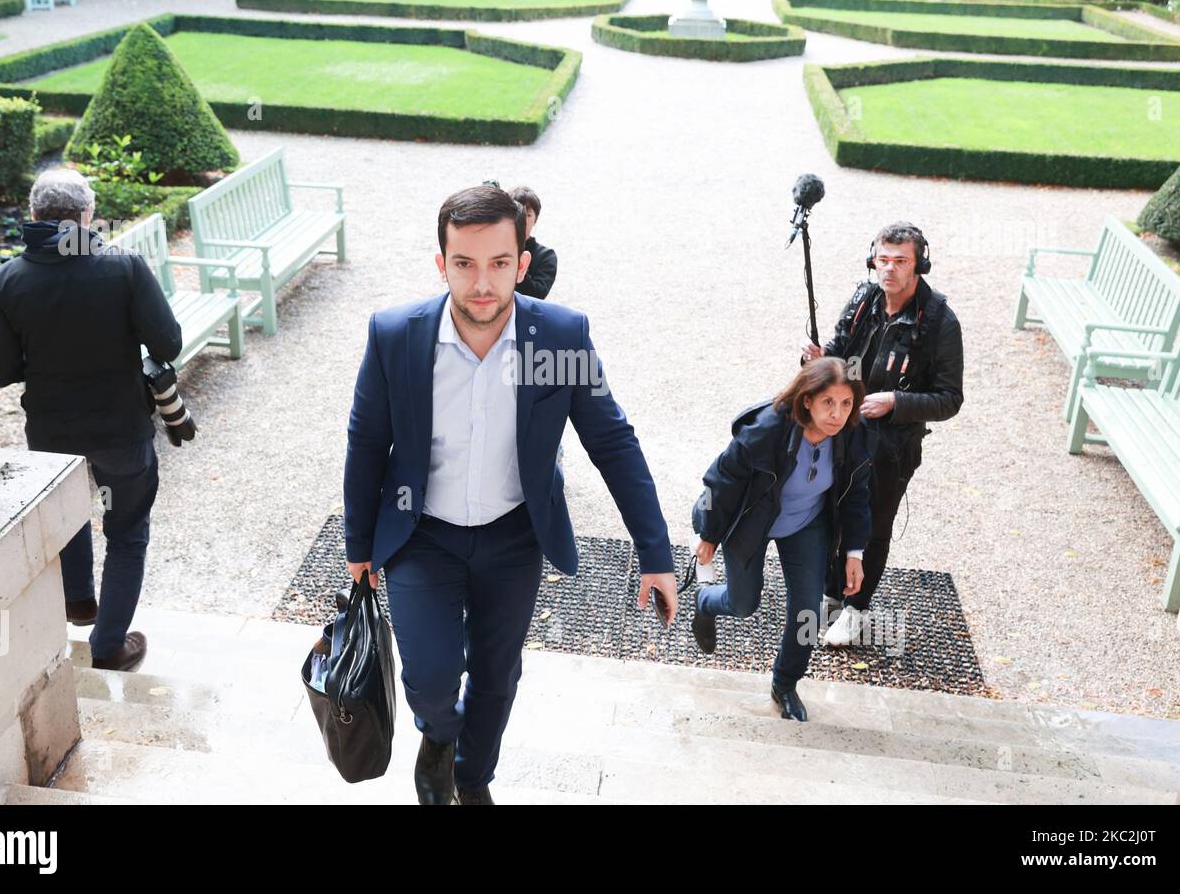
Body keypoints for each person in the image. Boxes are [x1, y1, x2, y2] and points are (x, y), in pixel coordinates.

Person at [343, 184, 676, 804]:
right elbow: (366, 442)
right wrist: (358, 545)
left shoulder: (559, 337)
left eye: (499, 264)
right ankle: (438, 736)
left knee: (497, 677)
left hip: (514, 535)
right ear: (441, 263)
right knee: (431, 678)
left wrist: (655, 553)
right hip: (422, 536)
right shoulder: (396, 336)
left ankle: (472, 779)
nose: (482, 285)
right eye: (464, 264)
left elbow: (613, 443)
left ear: (522, 264)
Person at [0, 169, 182, 672]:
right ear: (88, 215)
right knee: (127, 531)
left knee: (68, 519)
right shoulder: (125, 268)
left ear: (33, 215)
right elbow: (169, 344)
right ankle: (109, 645)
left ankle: (77, 600)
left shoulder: (9, 278)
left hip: (52, 432)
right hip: (120, 429)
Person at [800, 221, 963, 646]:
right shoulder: (863, 301)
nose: (889, 269)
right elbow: (845, 363)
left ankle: (856, 609)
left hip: (892, 446)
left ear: (919, 264)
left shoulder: (940, 322)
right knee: (832, 512)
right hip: (844, 427)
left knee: (871, 525)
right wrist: (820, 363)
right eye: (883, 260)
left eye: (901, 261)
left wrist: (895, 402)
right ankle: (832, 595)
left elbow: (949, 398)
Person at [691, 357, 872, 722]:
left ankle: (785, 683)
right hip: (752, 522)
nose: (837, 414)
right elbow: (719, 481)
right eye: (828, 403)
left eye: (846, 403)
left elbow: (857, 494)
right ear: (807, 400)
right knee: (743, 605)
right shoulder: (766, 430)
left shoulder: (853, 434)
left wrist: (855, 552)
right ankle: (705, 602)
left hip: (806, 524)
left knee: (807, 611)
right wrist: (709, 534)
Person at [508, 185, 557, 300]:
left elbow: (537, 294)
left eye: (528, 215)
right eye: (517, 213)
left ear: (535, 220)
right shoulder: (493, 248)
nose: (522, 219)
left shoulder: (546, 255)